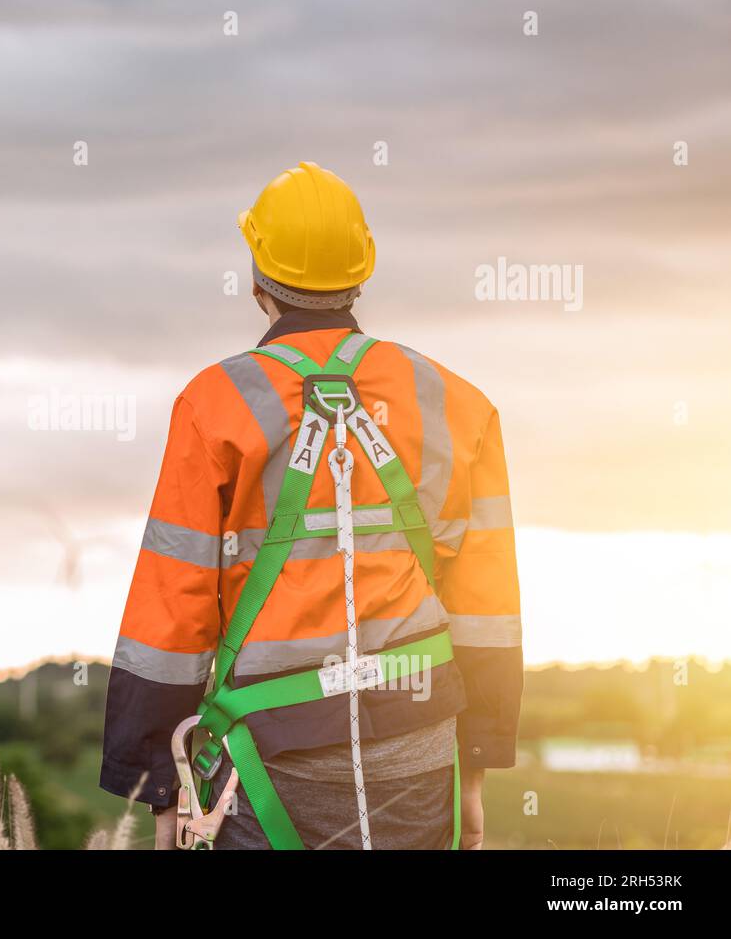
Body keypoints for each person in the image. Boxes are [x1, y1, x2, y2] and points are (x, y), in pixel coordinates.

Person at [99, 163, 522, 850]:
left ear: (256, 275)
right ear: (364, 268)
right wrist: (472, 771)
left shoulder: (216, 403)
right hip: (417, 752)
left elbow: (170, 606)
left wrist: (161, 787)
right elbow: (488, 610)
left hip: (269, 761)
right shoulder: (456, 402)